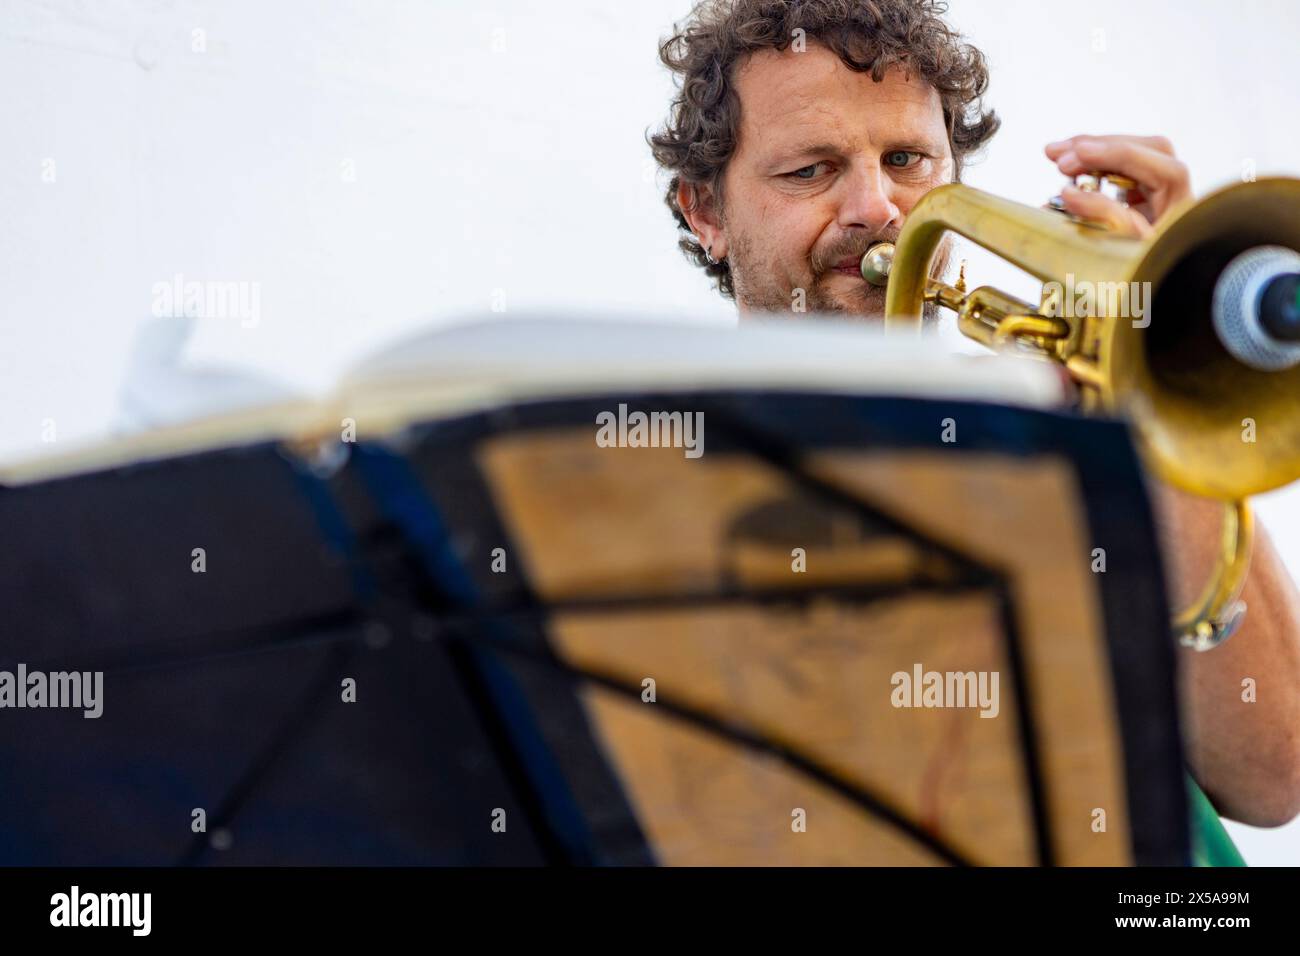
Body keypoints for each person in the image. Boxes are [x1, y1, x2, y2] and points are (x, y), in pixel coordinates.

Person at [650, 0, 1300, 827]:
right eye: (810, 170)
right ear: (705, 213)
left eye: (909, 159)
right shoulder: (645, 461)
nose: (879, 208)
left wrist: (1161, 373)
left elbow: (1276, 776)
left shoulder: (1063, 431)